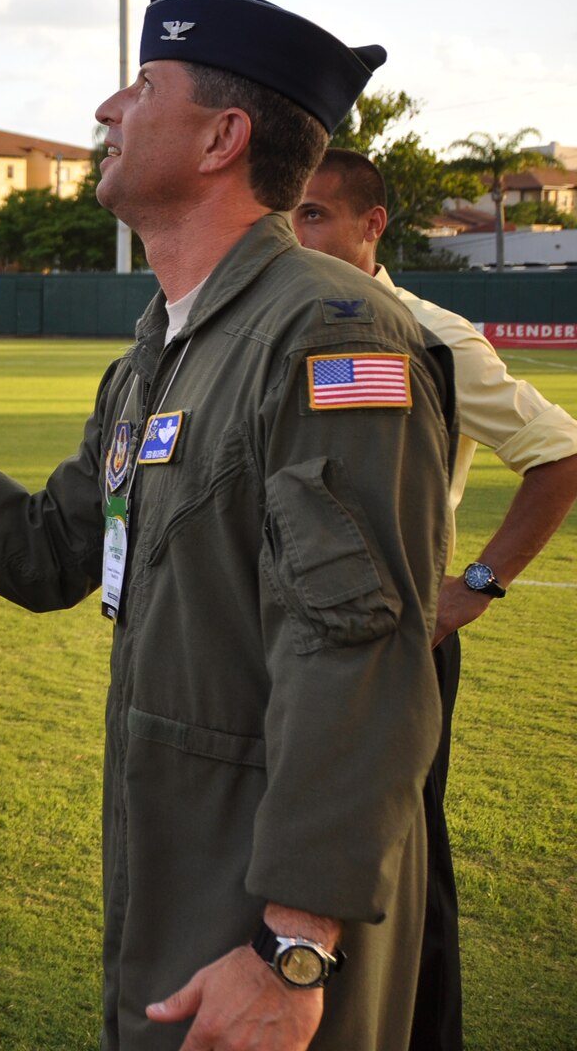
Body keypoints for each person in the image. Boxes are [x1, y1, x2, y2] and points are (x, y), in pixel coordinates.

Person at [0, 0, 456, 1051]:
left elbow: (352, 645)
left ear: (220, 135)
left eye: (139, 84)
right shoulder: (153, 354)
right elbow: (52, 551)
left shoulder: (328, 332)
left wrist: (293, 945)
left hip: (267, 900)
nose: (107, 111)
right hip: (178, 867)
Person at [293, 148, 577, 1051]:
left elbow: (559, 454)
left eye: (314, 217)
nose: (294, 236)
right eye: (284, 218)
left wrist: (477, 585)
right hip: (283, 639)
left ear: (371, 226)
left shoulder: (434, 338)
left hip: (396, 645)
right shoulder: (273, 326)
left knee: (406, 866)